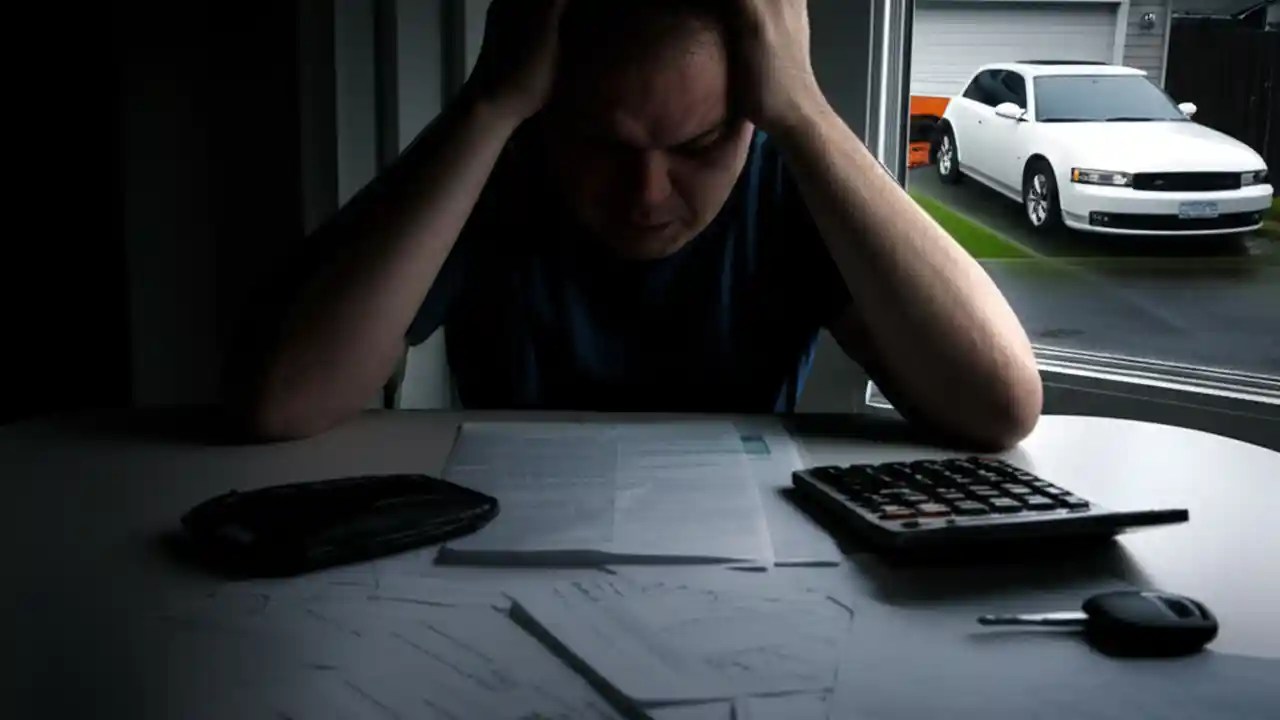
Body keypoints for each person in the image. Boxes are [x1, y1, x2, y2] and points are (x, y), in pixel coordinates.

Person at [236, 0, 1042, 449]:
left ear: (752, 119)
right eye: (601, 144)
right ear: (547, 114)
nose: (647, 196)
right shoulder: (500, 174)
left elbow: (999, 405)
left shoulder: (786, 190)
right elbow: (280, 398)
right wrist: (486, 106)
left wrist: (806, 113)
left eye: (698, 146)